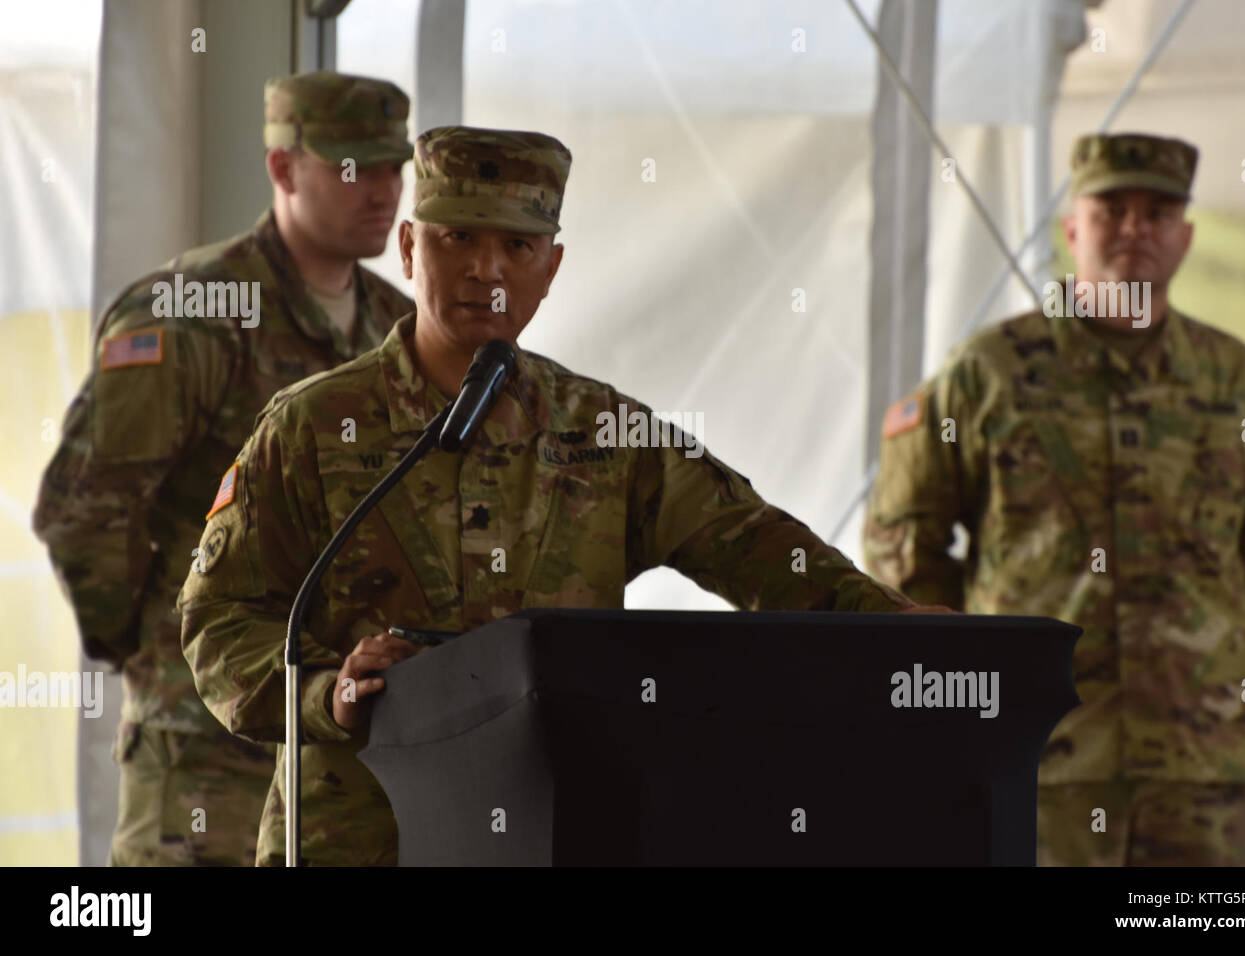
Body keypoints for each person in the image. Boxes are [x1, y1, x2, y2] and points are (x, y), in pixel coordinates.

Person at [178, 124, 943, 866]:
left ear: (552, 267)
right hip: (359, 838)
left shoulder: (605, 432)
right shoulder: (315, 426)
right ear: (410, 248)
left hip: (548, 833)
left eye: (517, 245)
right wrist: (325, 694)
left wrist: (894, 626)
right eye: (458, 238)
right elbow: (219, 619)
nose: (488, 269)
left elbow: (756, 546)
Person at [863, 132, 1245, 865]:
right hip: (1040, 752)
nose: (1135, 228)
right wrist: (971, 680)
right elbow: (905, 541)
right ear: (1072, 229)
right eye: (1112, 209)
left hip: (1200, 760)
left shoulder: (1235, 378)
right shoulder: (989, 374)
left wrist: (1209, 642)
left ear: (1185, 237)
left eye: (1158, 212)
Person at [33, 71, 417, 866]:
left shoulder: (398, 328)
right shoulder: (194, 312)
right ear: (283, 169)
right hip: (206, 754)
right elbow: (86, 510)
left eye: (391, 166)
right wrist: (160, 656)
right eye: (353, 168)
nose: (382, 190)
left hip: (346, 747)